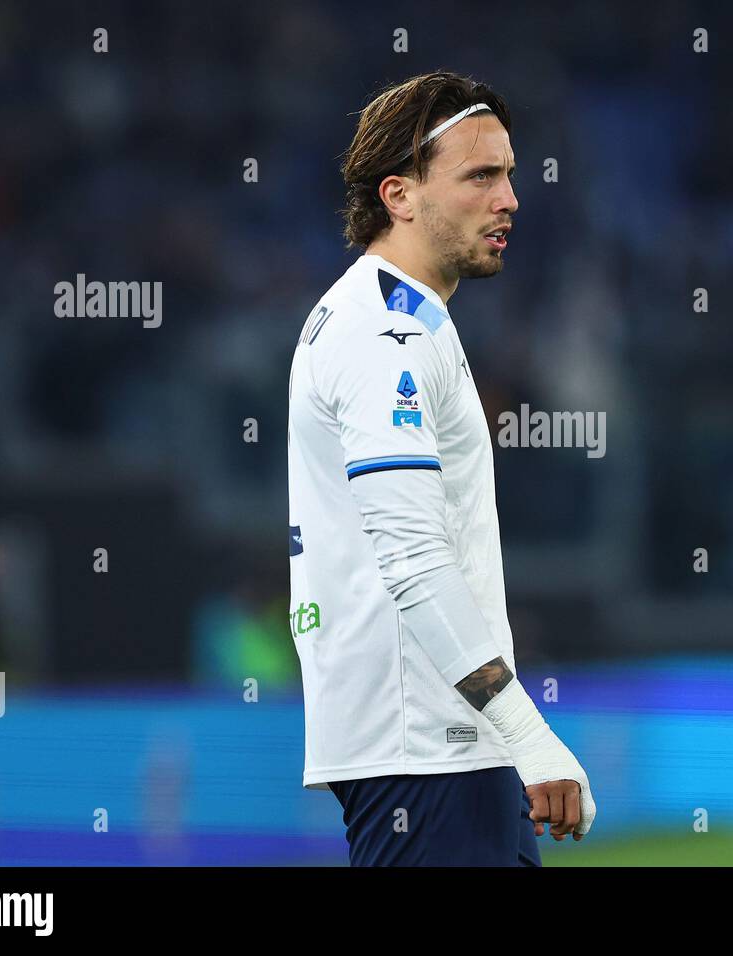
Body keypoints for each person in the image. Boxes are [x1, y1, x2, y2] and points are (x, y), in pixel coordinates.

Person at [285, 71, 595, 866]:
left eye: (510, 175)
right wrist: (529, 735)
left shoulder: (405, 318)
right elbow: (414, 560)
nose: (510, 199)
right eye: (481, 176)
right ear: (400, 195)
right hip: (426, 746)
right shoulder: (381, 337)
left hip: (436, 743)